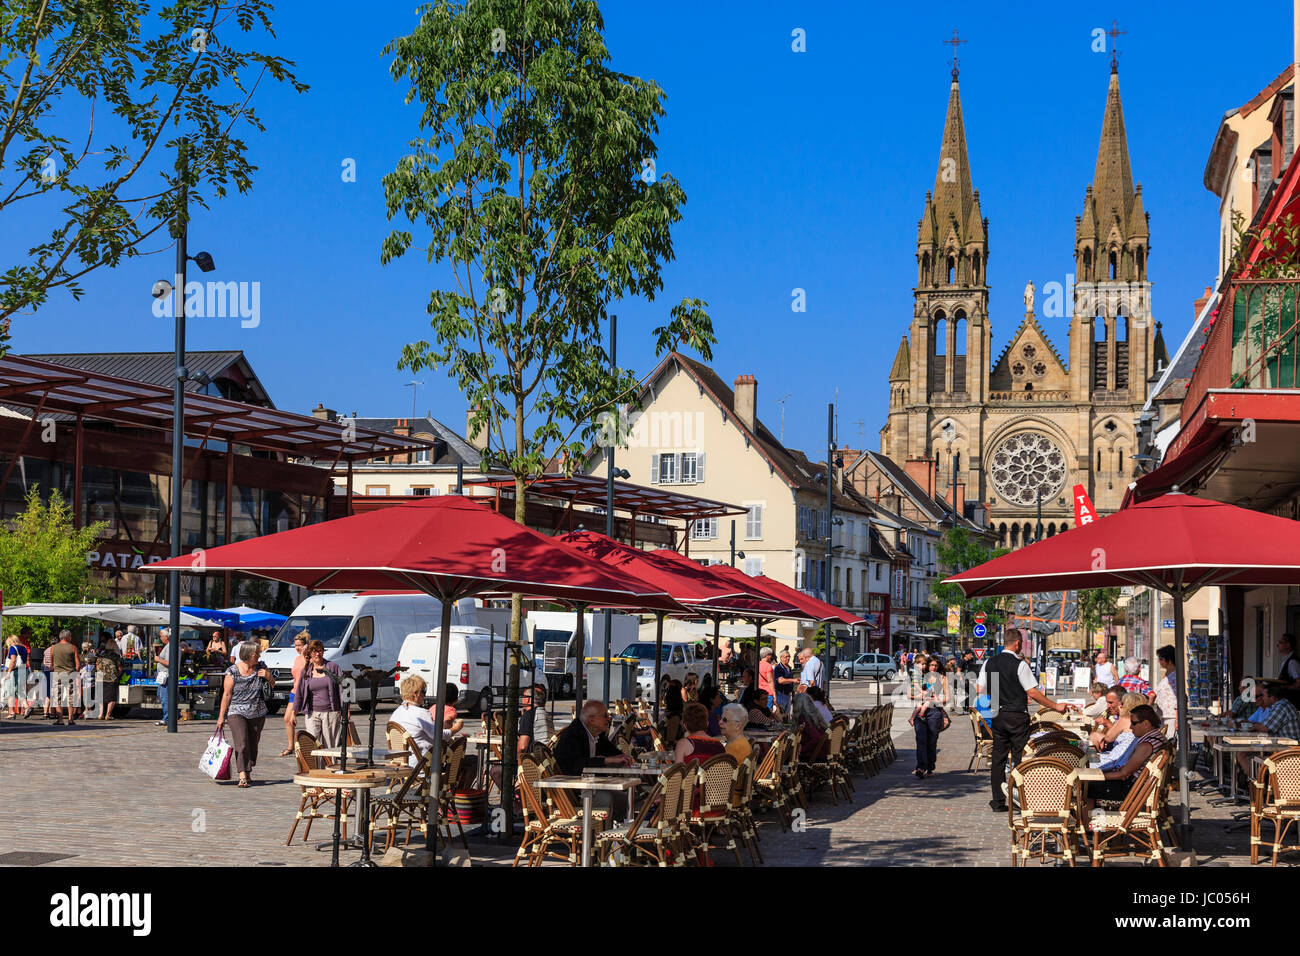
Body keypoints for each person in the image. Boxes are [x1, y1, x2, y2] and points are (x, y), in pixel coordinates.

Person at [976, 627, 1075, 812]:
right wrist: (1055, 706)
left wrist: (997, 696)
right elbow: (1032, 692)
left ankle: (998, 801)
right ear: (1018, 643)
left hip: (997, 714)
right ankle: (1020, 798)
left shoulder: (989, 662)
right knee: (1020, 757)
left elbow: (980, 689)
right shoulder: (1020, 665)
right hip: (1016, 715)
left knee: (998, 758)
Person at [1083, 705, 1166, 813]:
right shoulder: (1157, 737)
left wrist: (1095, 777)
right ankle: (1095, 823)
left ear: (1146, 724)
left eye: (1134, 723)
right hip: (1141, 787)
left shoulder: (1146, 745)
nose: (1131, 727)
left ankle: (1090, 826)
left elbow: (1123, 774)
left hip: (1133, 790)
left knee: (1086, 788)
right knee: (1090, 784)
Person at [215, 642, 270, 787]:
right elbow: (226, 694)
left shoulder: (262, 666)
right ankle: (242, 775)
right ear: (247, 655)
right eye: (256, 653)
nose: (259, 656)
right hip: (236, 711)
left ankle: (248, 768)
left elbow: (272, 685)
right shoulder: (232, 671)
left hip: (257, 711)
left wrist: (268, 676)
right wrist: (221, 717)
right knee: (242, 743)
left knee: (253, 744)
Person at [1234, 681, 1300, 780]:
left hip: (1288, 752)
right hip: (1283, 748)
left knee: (1242, 754)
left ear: (1273, 697)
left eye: (1264, 696)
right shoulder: (1280, 705)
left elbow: (1265, 727)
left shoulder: (1280, 707)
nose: (1262, 699)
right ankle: (1258, 786)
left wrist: (1252, 726)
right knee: (1243, 752)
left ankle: (1259, 788)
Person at [553, 699, 634, 775]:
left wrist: (622, 757)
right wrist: (606, 760)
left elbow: (613, 754)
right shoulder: (573, 734)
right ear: (591, 720)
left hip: (591, 783)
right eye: (605, 716)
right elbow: (574, 764)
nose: (609, 719)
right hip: (572, 786)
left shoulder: (597, 734)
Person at [293, 639, 344, 747]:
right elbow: (299, 693)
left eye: (320, 651)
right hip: (312, 713)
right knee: (312, 744)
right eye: (314, 651)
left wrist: (345, 709)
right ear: (310, 653)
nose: (317, 654)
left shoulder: (332, 667)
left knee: (330, 745)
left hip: (331, 713)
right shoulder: (306, 671)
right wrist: (294, 712)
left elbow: (341, 689)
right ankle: (315, 765)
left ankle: (330, 764)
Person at [390, 675, 443, 767]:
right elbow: (438, 736)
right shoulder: (422, 713)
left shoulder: (396, 713)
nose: (425, 695)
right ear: (416, 694)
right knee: (460, 757)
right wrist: (454, 730)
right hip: (421, 765)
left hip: (400, 764)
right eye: (424, 691)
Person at [911, 655, 949, 778]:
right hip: (921, 710)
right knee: (921, 740)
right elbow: (909, 694)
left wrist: (938, 701)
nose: (934, 667)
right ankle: (921, 767)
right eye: (931, 665)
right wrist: (922, 696)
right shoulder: (920, 677)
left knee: (931, 741)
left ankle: (930, 768)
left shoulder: (943, 678)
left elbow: (948, 698)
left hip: (934, 711)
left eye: (936, 665)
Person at [278, 631, 310, 757]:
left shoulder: (308, 658)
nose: (297, 648)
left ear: (305, 645)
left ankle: (311, 744)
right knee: (287, 718)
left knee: (308, 719)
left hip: (305, 692)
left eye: (300, 645)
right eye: (295, 645)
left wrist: (305, 654)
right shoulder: (296, 659)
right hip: (294, 691)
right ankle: (291, 746)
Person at [50, 629, 80, 726]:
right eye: (70, 636)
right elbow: (78, 665)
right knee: (70, 697)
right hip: (70, 674)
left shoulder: (53, 648)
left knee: (57, 697)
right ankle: (70, 719)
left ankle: (60, 719)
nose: (71, 638)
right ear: (67, 637)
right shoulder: (73, 648)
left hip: (57, 675)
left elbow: (51, 664)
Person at [790, 692, 827, 759]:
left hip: (814, 755)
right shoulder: (816, 715)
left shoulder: (805, 719)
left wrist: (802, 749)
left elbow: (816, 738)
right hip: (823, 752)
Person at [1153, 644, 1178, 739]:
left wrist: (1177, 719)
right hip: (1164, 716)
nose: (1159, 662)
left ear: (1169, 660)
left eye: (1161, 659)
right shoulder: (1168, 674)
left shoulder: (1175, 676)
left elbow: (1177, 698)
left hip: (1171, 717)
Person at [94, 639, 122, 720]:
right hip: (111, 678)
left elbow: (97, 666)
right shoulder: (116, 656)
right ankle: (108, 715)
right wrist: (117, 674)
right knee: (111, 697)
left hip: (100, 678)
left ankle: (100, 714)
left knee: (101, 697)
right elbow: (119, 668)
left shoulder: (100, 655)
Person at [4, 635, 30, 718]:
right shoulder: (24, 648)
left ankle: (11, 713)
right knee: (20, 691)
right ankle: (26, 706)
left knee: (10, 692)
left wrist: (8, 672)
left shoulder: (12, 648)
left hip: (14, 671)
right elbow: (26, 660)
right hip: (23, 670)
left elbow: (13, 660)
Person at [153, 629, 173, 726]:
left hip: (166, 676)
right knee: (160, 695)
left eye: (161, 636)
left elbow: (169, 663)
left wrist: (158, 659)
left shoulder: (170, 647)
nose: (160, 638)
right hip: (164, 676)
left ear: (166, 637)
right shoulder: (169, 646)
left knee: (165, 698)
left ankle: (167, 718)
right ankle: (172, 715)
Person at [1276, 634, 1300, 707]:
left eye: (1280, 642)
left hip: (1291, 701)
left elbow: (1299, 684)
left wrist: (1284, 687)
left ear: (1288, 645)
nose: (1277, 645)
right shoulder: (1285, 660)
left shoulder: (1292, 662)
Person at [773, 648, 796, 713]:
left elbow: (790, 683)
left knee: (787, 715)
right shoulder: (778, 668)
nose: (788, 658)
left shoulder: (788, 667)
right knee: (780, 714)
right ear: (781, 658)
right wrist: (793, 680)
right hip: (780, 694)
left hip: (788, 695)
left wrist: (793, 693)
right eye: (786, 657)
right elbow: (780, 681)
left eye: (789, 657)